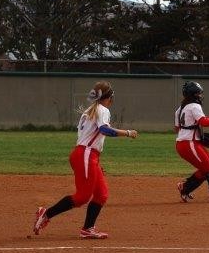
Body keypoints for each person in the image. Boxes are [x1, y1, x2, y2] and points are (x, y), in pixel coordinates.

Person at [32, 81, 138, 239]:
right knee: (82, 197)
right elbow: (104, 130)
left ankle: (88, 228)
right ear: (109, 97)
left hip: (88, 155)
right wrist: (127, 133)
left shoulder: (90, 110)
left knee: (101, 194)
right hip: (86, 155)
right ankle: (46, 213)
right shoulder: (102, 109)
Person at [175, 81, 209, 202]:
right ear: (193, 95)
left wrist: (196, 134)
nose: (200, 95)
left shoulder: (180, 109)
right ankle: (185, 188)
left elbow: (177, 128)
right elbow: (204, 122)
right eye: (198, 93)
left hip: (187, 143)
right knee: (208, 170)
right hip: (189, 144)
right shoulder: (194, 106)